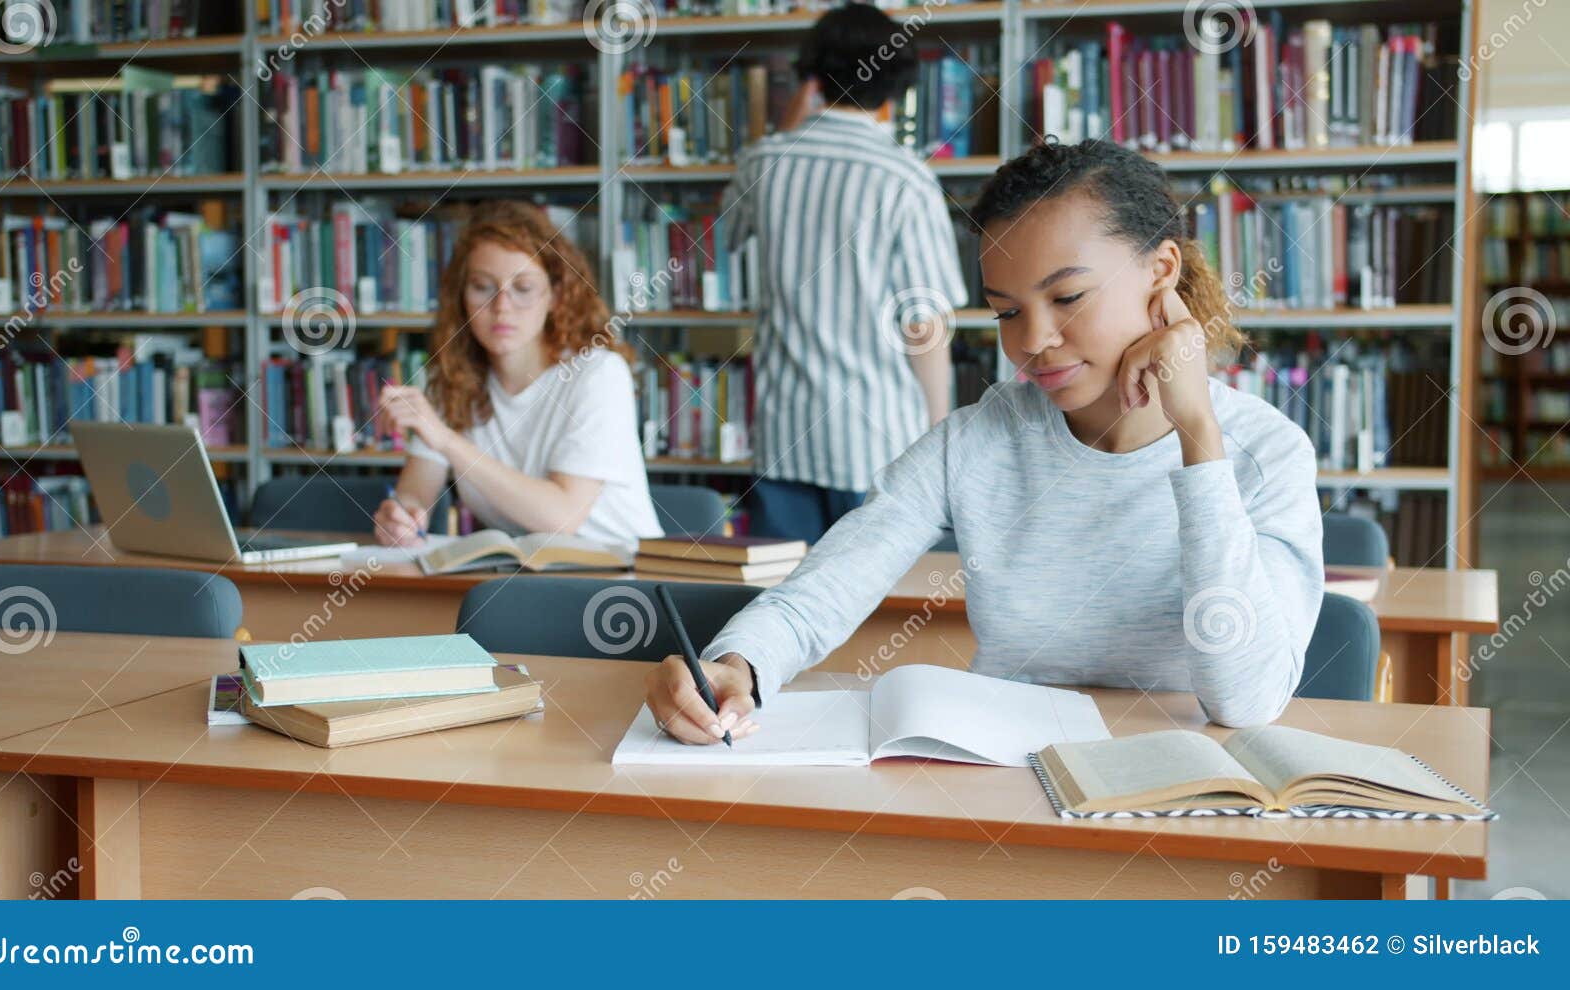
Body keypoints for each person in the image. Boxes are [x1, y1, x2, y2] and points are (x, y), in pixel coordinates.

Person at [645, 137, 1326, 744]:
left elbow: (1245, 701)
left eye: (1068, 298)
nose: (1033, 340)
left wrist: (1199, 436)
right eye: (1006, 311)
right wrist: (736, 665)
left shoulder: (1266, 454)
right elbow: (828, 586)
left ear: (1162, 269)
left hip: (1178, 799)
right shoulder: (979, 440)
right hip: (1006, 785)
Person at [719, 2, 968, 544]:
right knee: (880, 594)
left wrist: (789, 121)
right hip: (878, 444)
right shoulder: (905, 178)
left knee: (783, 588)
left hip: (785, 436)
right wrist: (938, 435)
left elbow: (725, 239)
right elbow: (923, 322)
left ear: (812, 75)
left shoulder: (764, 162)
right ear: (898, 84)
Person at [375, 202, 663, 550]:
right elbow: (415, 493)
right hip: (522, 573)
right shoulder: (451, 379)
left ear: (555, 295)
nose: (501, 307)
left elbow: (561, 518)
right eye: (483, 286)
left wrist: (447, 440)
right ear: (461, 296)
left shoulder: (599, 374)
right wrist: (401, 517)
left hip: (622, 573)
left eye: (523, 288)